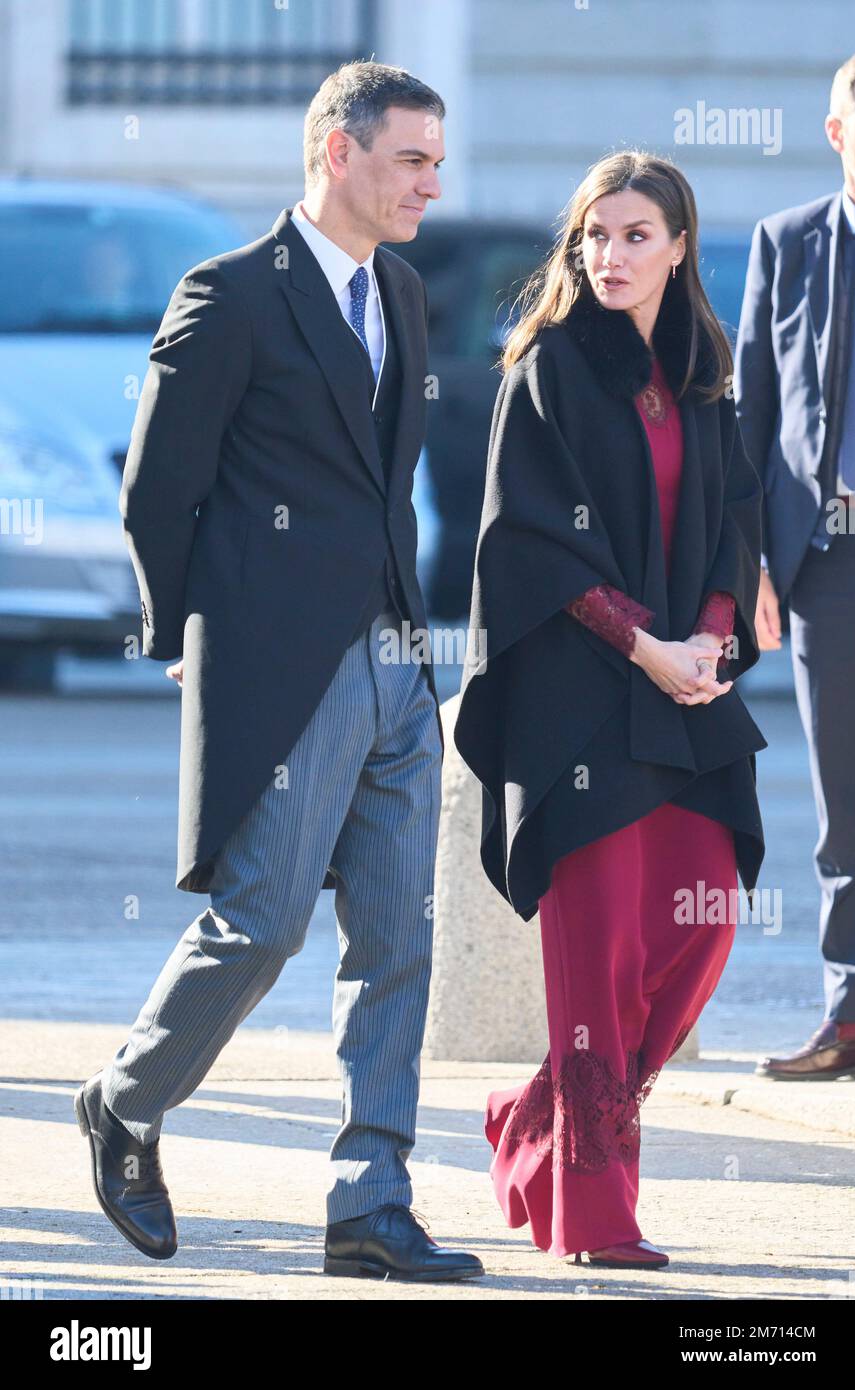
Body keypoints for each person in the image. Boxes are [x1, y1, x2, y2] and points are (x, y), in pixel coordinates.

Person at [74, 60, 484, 1284]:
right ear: (334, 153)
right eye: (409, 157)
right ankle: (122, 1099)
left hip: (399, 661)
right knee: (258, 925)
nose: (428, 180)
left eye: (434, 159)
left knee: (401, 939)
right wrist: (187, 645)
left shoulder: (403, 291)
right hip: (281, 665)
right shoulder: (231, 293)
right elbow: (158, 491)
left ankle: (369, 1204)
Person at [453, 150, 767, 1268]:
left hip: (683, 689)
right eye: (594, 234)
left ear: (677, 247)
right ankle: (591, 1213)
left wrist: (706, 640)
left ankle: (530, 1118)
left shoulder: (696, 371)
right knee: (595, 957)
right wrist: (641, 643)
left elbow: (732, 516)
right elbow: (525, 542)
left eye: (635, 235)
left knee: (700, 922)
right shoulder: (545, 369)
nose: (609, 255)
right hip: (580, 704)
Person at [736, 45, 855, 1081]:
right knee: (845, 801)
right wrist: (755, 567)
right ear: (837, 134)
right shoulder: (786, 245)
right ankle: (850, 1016)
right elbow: (751, 419)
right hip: (828, 560)